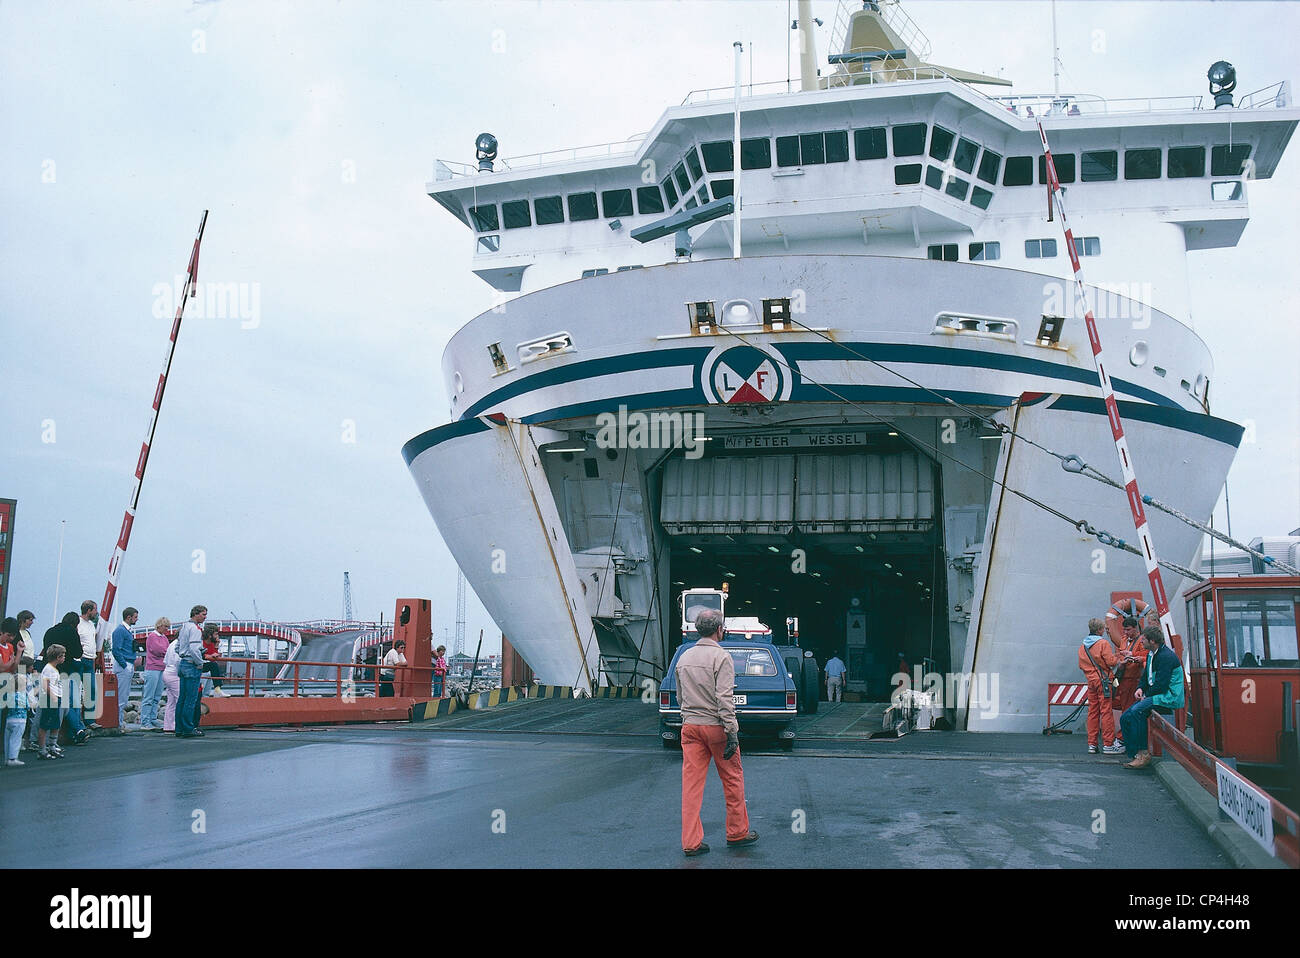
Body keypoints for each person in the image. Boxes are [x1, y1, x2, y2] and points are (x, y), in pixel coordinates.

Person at [676, 608, 758, 856]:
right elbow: (724, 699)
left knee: (691, 786)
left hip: (690, 727)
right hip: (716, 728)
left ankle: (690, 842)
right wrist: (732, 731)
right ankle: (737, 832)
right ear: (720, 629)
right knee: (732, 780)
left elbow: (681, 697)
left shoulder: (683, 658)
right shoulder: (722, 657)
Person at [1120, 627, 1185, 769]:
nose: (1141, 641)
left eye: (1143, 639)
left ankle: (1143, 753)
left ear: (1152, 641)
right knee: (1124, 717)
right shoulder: (1151, 654)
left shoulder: (1166, 657)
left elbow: (1162, 684)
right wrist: (1140, 688)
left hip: (1167, 696)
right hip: (1155, 693)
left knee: (1137, 712)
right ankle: (1134, 754)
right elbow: (1146, 677)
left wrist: (1145, 695)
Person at [1078, 617, 1124, 754]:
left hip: (1091, 681)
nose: (1104, 630)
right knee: (1106, 712)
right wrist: (1120, 657)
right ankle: (1108, 745)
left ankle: (1092, 744)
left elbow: (1081, 665)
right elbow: (1111, 662)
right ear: (1099, 630)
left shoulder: (1083, 646)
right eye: (1103, 628)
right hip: (1103, 681)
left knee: (1093, 712)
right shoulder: (1103, 643)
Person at [44, 612, 89, 744]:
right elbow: (78, 653)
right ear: (75, 623)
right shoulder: (71, 632)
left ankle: (54, 737)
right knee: (70, 703)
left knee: (57, 704)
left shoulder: (50, 632)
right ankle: (78, 730)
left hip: (51, 671)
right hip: (67, 671)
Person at [1109, 615, 1149, 746]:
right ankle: (1125, 738)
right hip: (1123, 679)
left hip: (1134, 679)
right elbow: (1121, 654)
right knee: (1123, 707)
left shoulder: (1142, 640)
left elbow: (1147, 656)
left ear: (1136, 629)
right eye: (1124, 630)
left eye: (1128, 630)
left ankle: (1122, 738)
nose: (1126, 632)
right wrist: (1122, 661)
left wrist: (1134, 656)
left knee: (1128, 709)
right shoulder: (1124, 640)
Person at [174, 605, 207, 738]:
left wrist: (184, 653)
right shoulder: (195, 629)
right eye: (203, 614)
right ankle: (188, 728)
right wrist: (200, 662)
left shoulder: (184, 627)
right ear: (196, 614)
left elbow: (177, 647)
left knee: (182, 698)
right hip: (191, 665)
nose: (205, 617)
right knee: (191, 699)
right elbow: (194, 649)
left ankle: (179, 728)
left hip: (183, 663)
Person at [110, 607, 140, 729]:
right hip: (124, 664)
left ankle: (119, 721)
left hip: (128, 663)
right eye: (135, 617)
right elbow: (116, 649)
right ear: (129, 617)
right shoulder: (120, 631)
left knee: (124, 694)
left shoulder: (125, 631)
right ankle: (117, 722)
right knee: (121, 696)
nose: (137, 619)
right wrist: (124, 665)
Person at [37, 644, 67, 760]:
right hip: (49, 699)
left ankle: (52, 746)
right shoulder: (48, 669)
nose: (64, 658)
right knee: (45, 724)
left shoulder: (54, 669)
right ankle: (42, 749)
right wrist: (53, 697)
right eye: (63, 656)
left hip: (56, 698)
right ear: (58, 657)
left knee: (55, 723)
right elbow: (46, 685)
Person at [140, 618, 170, 730]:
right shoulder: (152, 636)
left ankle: (152, 718)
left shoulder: (164, 638)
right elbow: (158, 650)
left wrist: (165, 651)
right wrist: (166, 652)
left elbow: (163, 650)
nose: (167, 629)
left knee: (157, 696)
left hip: (161, 668)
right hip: (153, 668)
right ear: (160, 626)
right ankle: (145, 721)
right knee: (149, 696)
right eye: (165, 626)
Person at [5, 653, 29, 767]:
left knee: (8, 739)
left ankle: (7, 757)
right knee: (16, 739)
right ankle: (13, 758)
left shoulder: (10, 695)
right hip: (20, 720)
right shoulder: (22, 695)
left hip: (9, 719)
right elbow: (27, 706)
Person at [161, 633, 181, 733]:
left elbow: (165, 661)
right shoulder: (179, 645)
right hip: (174, 674)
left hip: (167, 672)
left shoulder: (172, 644)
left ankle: (169, 725)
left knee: (171, 701)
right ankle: (180, 724)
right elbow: (178, 661)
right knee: (180, 700)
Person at [201, 623, 228, 697]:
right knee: (213, 665)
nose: (217, 636)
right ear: (210, 635)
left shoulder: (212, 644)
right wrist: (209, 656)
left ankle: (217, 689)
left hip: (207, 667)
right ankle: (217, 689)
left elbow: (213, 657)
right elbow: (198, 654)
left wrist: (216, 646)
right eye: (216, 634)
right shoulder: (201, 642)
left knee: (206, 693)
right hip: (198, 665)